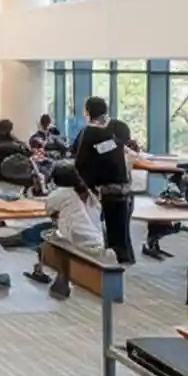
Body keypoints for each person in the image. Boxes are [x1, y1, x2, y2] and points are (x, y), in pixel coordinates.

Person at [70, 97, 137, 264]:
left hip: (103, 187)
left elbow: (80, 160)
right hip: (124, 184)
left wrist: (82, 184)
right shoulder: (119, 126)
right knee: (121, 225)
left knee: (106, 225)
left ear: (88, 111)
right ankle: (126, 256)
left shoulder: (89, 132)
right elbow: (126, 146)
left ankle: (115, 260)